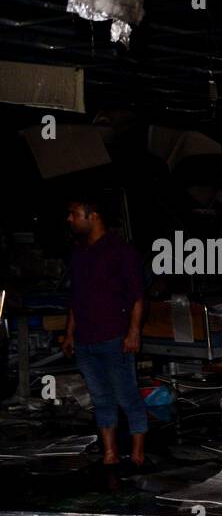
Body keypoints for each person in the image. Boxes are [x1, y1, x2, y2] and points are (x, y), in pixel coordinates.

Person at [61, 196, 148, 467]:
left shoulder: (120, 250)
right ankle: (109, 452)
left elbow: (137, 295)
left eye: (74, 213)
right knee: (100, 398)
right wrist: (70, 333)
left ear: (93, 215)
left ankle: (137, 452)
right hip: (86, 338)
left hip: (114, 336)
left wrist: (133, 332)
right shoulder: (78, 254)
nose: (70, 219)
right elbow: (76, 298)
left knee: (126, 395)